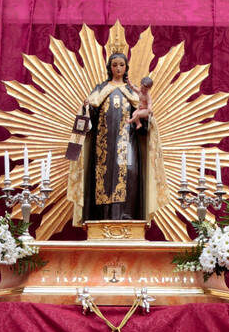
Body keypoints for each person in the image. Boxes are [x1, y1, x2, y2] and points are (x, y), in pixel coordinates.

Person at [68, 52, 165, 227]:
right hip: (104, 147)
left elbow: (143, 118)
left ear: (126, 67)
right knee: (104, 179)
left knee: (130, 174)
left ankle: (128, 218)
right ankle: (103, 219)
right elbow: (91, 115)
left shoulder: (132, 91)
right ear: (110, 68)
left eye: (121, 65)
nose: (118, 68)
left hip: (128, 145)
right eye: (115, 65)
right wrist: (86, 108)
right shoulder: (100, 90)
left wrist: (146, 119)